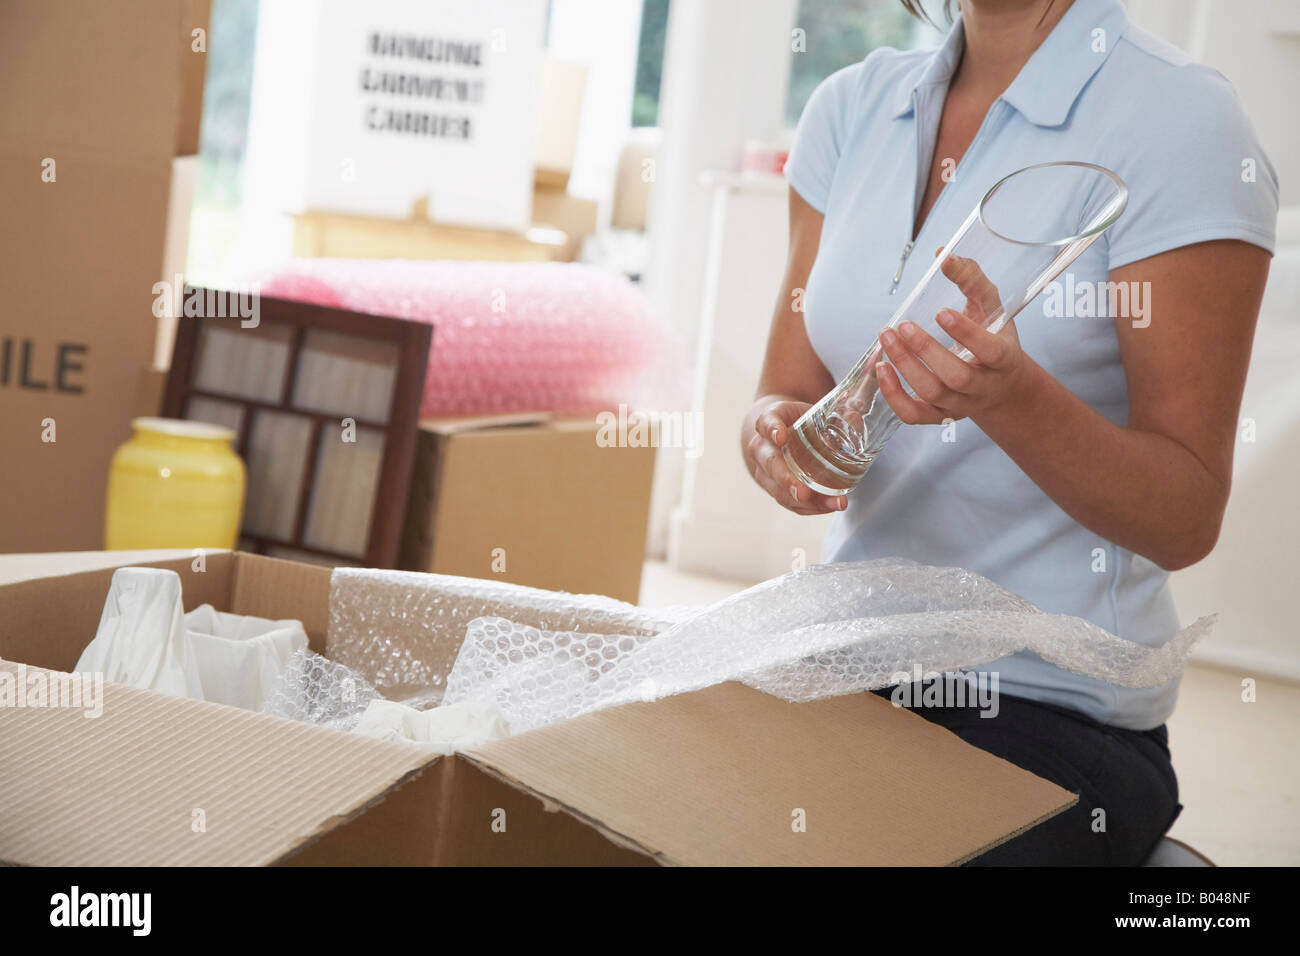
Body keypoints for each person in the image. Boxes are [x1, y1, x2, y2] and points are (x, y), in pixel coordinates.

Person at [742, 0, 1277, 864]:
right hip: (845, 658)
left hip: (1052, 709)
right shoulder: (850, 106)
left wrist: (1013, 397)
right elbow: (783, 392)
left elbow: (1186, 516)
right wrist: (771, 440)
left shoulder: (1181, 119)